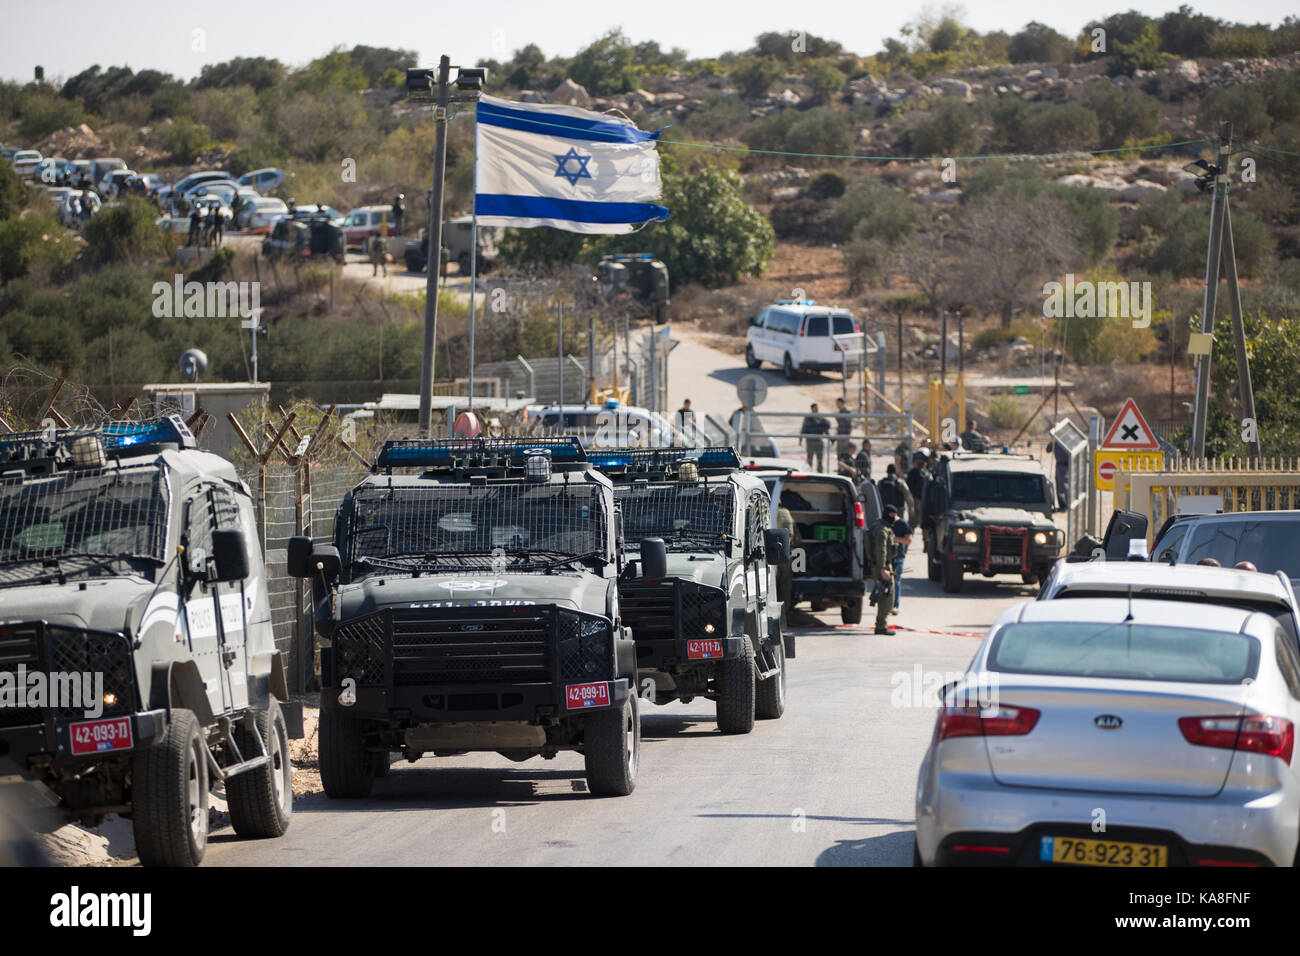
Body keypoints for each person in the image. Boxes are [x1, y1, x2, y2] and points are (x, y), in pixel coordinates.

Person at [866, 507, 896, 634]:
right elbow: (881, 550)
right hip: (882, 566)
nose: (894, 517)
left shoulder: (879, 526)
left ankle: (882, 624)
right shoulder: (882, 530)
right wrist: (883, 568)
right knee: (887, 596)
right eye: (892, 514)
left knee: (884, 594)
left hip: (880, 565)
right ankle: (881, 626)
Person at [775, 504, 799, 627]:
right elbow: (796, 534)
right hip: (789, 554)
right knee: (785, 589)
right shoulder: (786, 512)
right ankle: (783, 622)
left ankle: (776, 623)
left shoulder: (771, 511)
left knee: (773, 591)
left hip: (775, 554)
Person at [890, 513, 912, 616]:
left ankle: (895, 606)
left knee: (896, 582)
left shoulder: (903, 524)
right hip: (886, 557)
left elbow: (908, 540)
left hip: (898, 557)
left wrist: (895, 539)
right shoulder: (884, 523)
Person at [800, 403, 831, 472]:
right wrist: (800, 439)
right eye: (815, 408)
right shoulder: (808, 418)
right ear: (812, 409)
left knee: (820, 459)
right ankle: (809, 473)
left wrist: (830, 438)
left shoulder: (820, 417)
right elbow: (803, 428)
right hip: (810, 441)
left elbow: (825, 428)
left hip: (819, 440)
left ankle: (820, 473)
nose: (816, 409)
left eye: (817, 408)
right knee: (810, 459)